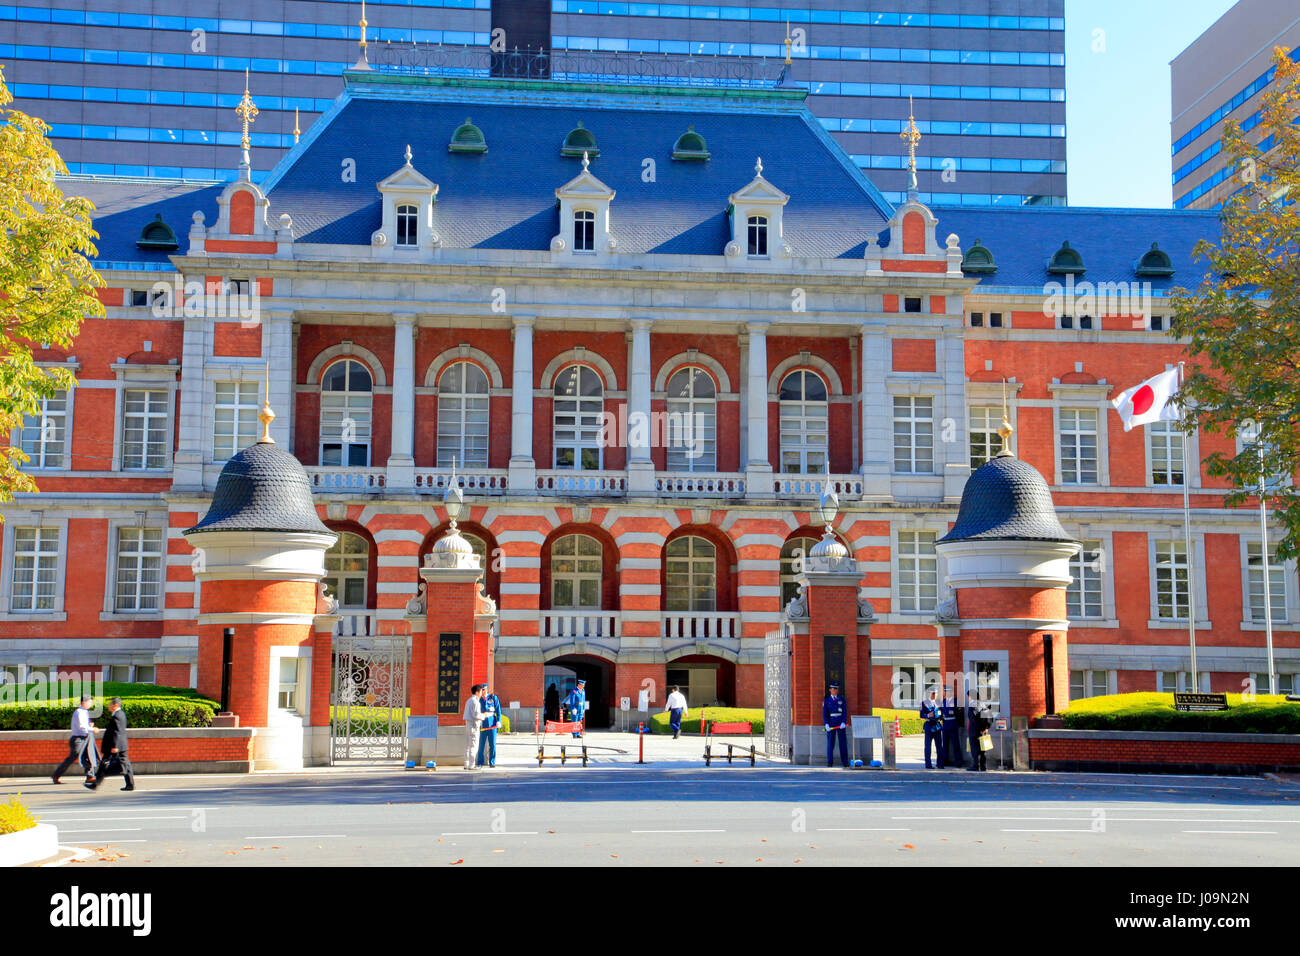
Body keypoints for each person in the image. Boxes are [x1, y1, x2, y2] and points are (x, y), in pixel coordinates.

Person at [86, 697, 134, 791]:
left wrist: (115, 746)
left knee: (105, 764)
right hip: (120, 745)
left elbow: (117, 731)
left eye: (110, 704)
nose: (109, 706)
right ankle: (130, 784)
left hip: (114, 746)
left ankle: (96, 784)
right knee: (126, 765)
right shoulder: (120, 714)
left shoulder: (117, 716)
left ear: (115, 705)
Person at [52, 693, 99, 784]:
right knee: (73, 757)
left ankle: (90, 776)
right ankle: (56, 775)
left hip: (84, 738)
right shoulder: (79, 712)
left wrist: (89, 726)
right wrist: (93, 729)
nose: (91, 704)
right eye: (89, 702)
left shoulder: (84, 712)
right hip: (78, 739)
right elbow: (82, 727)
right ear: (83, 702)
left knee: (88, 756)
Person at [822, 682, 849, 768]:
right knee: (830, 743)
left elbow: (844, 712)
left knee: (843, 743)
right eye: (833, 689)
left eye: (836, 689)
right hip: (831, 723)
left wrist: (844, 722)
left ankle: (845, 762)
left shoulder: (842, 699)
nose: (835, 690)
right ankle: (830, 762)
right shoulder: (826, 701)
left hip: (840, 723)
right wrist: (826, 724)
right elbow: (825, 714)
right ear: (830, 690)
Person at [462, 684, 488, 770]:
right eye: (481, 691)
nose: (482, 693)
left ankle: (466, 763)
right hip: (474, 725)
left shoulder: (469, 700)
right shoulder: (476, 701)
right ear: (477, 692)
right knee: (474, 745)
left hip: (468, 725)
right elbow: (476, 715)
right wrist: (484, 715)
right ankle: (472, 765)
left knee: (467, 745)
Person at [477, 684, 503, 768]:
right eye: (482, 690)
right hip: (483, 725)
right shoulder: (479, 699)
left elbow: (498, 710)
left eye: (485, 689)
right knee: (481, 744)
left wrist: (499, 721)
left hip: (492, 725)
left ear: (487, 690)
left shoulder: (493, 698)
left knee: (492, 745)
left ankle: (492, 762)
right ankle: (480, 762)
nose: (483, 691)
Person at [919, 688, 944, 769]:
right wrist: (928, 715)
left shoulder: (939, 703)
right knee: (928, 746)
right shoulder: (924, 703)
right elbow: (921, 715)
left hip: (937, 726)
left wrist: (942, 716)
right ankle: (928, 764)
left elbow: (941, 713)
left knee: (939, 746)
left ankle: (940, 764)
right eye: (933, 693)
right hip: (929, 725)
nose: (935, 695)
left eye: (936, 693)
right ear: (930, 694)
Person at [941, 689, 965, 769]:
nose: (947, 693)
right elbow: (940, 711)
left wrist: (958, 723)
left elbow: (959, 713)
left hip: (953, 723)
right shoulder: (943, 701)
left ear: (951, 692)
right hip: (945, 725)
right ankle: (945, 760)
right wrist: (941, 717)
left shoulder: (955, 701)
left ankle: (958, 761)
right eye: (946, 692)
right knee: (945, 744)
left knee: (955, 744)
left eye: (948, 692)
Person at [966, 691, 990, 772]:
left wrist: (979, 729)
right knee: (983, 749)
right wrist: (986, 728)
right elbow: (988, 716)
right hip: (983, 730)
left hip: (975, 731)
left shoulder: (973, 705)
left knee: (975, 748)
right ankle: (983, 766)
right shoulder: (982, 704)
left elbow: (974, 719)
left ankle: (976, 765)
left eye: (968, 696)